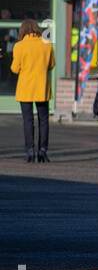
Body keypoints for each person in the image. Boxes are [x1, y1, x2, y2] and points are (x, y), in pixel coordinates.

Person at [10, 19, 54, 163]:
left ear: (23, 31)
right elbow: (51, 65)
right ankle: (43, 150)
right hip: (42, 87)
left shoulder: (19, 46)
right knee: (44, 120)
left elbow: (15, 69)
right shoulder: (46, 45)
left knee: (28, 120)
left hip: (25, 88)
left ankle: (30, 150)